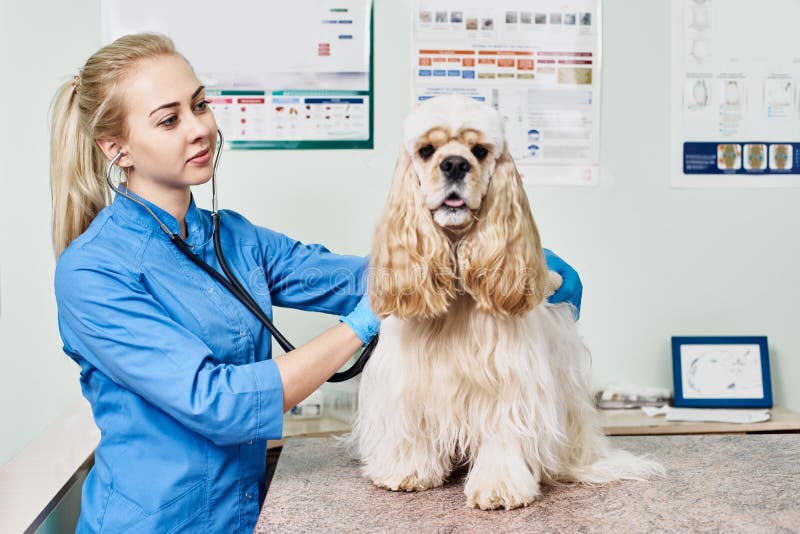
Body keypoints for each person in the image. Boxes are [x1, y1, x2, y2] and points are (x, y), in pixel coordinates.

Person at [51, 33, 582, 533]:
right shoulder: (92, 273)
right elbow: (218, 403)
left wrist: (517, 265)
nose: (199, 128)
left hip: (248, 512)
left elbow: (364, 277)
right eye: (169, 121)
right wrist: (364, 320)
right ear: (115, 149)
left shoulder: (235, 239)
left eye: (201, 104)